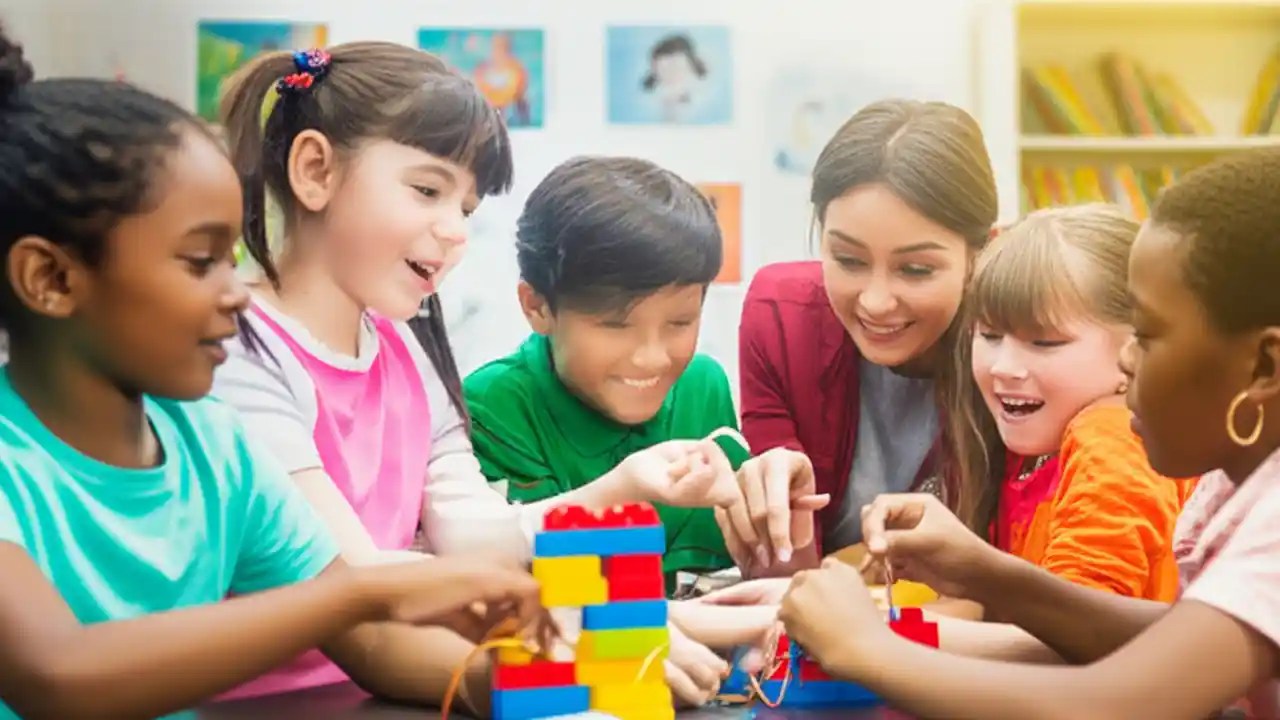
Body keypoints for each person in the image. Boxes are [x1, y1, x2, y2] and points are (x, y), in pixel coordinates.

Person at [0, 30, 544, 720]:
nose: (235, 294)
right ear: (50, 278)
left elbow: (370, 644)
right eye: (201, 262)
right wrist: (358, 594)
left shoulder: (217, 449)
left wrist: (536, 686)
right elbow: (56, 675)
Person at [211, 43, 725, 703]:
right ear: (315, 170)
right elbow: (350, 581)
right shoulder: (238, 348)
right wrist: (573, 639)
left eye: (466, 208)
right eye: (427, 190)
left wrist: (623, 492)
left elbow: (472, 537)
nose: (455, 231)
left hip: (398, 688)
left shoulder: (404, 348)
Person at [778, 148, 1280, 719]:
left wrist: (866, 647)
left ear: (1263, 367)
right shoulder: (1241, 490)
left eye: (1147, 333)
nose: (1128, 360)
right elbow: (1173, 636)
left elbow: (1112, 705)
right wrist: (985, 571)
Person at [464, 155, 745, 703]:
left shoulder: (702, 386)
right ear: (537, 306)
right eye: (615, 325)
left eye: (681, 322)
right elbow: (541, 598)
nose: (651, 357)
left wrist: (777, 542)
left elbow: (724, 574)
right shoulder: (492, 407)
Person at [722, 99, 1002, 576]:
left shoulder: (1018, 355)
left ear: (981, 253)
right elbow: (789, 576)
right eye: (848, 260)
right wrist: (772, 520)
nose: (875, 301)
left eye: (915, 269)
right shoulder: (781, 319)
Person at [969, 203, 1194, 601]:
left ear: (1136, 346)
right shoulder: (1044, 437)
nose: (1004, 366)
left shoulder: (1112, 436)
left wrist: (876, 637)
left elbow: (1070, 626)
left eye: (1044, 343)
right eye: (989, 335)